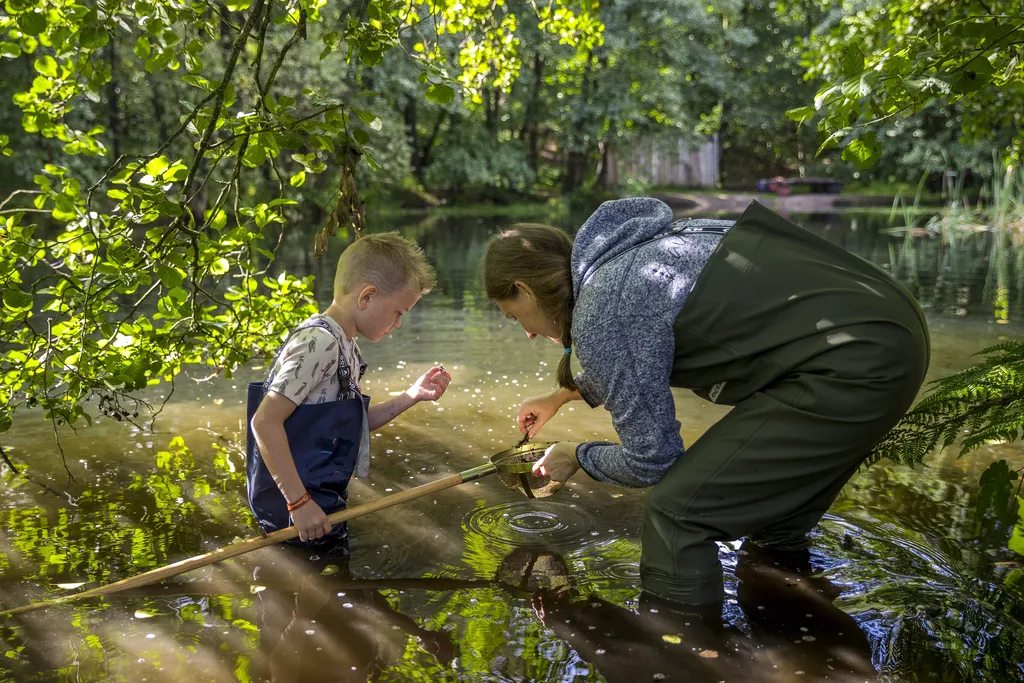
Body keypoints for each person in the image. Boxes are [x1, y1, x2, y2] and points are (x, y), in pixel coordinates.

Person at [483, 198, 929, 606]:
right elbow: (641, 352)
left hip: (851, 363)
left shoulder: (604, 308)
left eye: (513, 315)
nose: (525, 331)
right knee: (775, 529)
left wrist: (576, 456)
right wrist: (562, 395)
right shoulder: (635, 259)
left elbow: (652, 462)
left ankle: (681, 654)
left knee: (676, 516)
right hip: (889, 331)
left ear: (524, 289)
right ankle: (791, 647)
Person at [247, 232, 452, 556]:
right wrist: (299, 502)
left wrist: (410, 395)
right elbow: (265, 423)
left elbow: (347, 423)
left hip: (319, 498)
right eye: (399, 311)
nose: (398, 323)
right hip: (291, 509)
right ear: (366, 297)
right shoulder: (319, 344)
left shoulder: (345, 346)